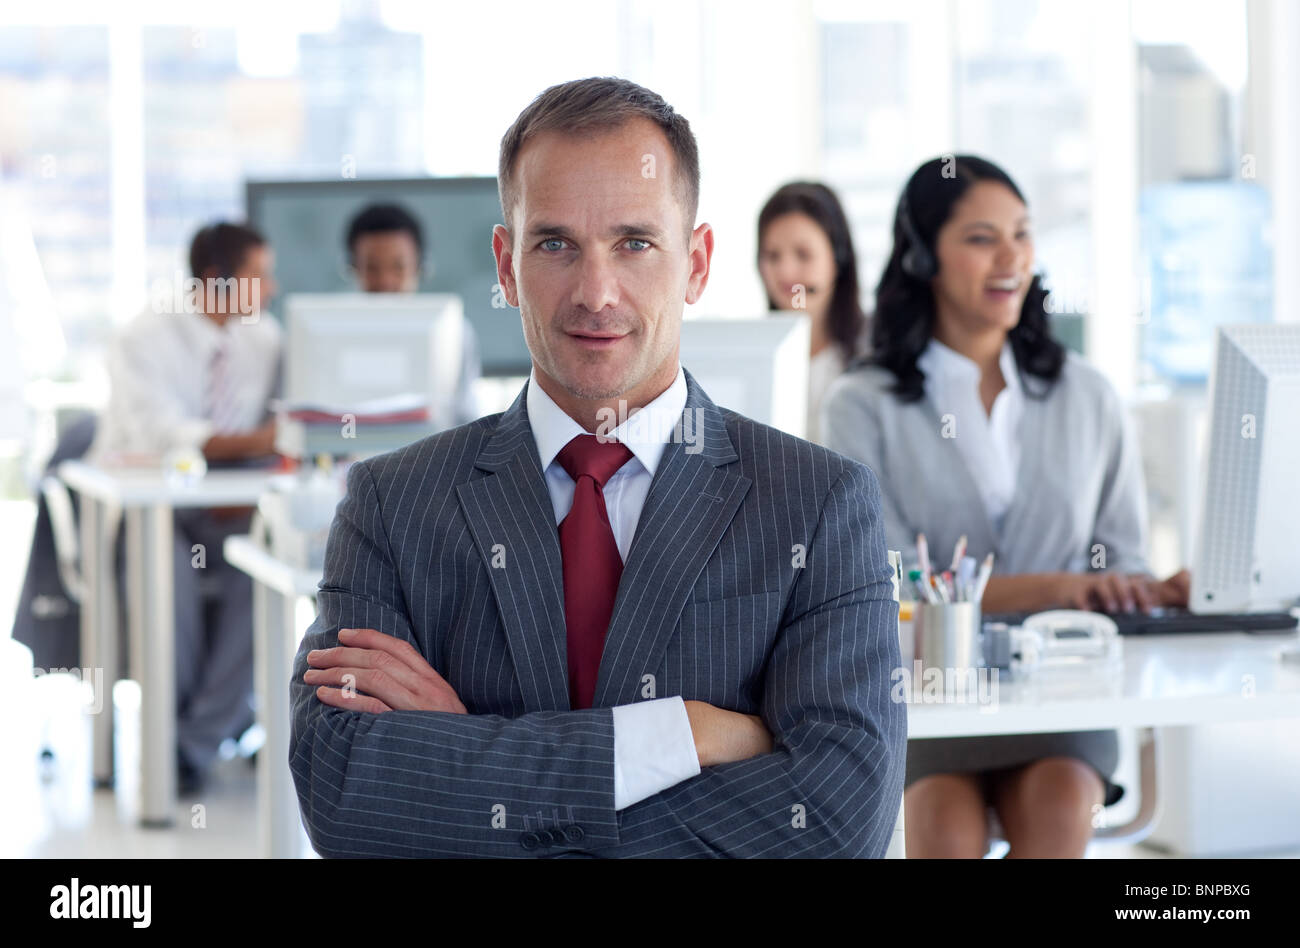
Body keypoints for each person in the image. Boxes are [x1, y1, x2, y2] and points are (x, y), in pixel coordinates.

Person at [288, 77, 906, 858]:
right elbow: (349, 795)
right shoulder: (390, 503)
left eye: (635, 243)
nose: (596, 293)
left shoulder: (819, 504)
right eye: (555, 245)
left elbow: (836, 822)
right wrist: (674, 736)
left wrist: (473, 753)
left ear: (698, 263)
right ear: (506, 267)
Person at [823, 155, 1190, 858]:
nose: (1011, 258)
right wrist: (1064, 588)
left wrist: (1143, 588)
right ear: (923, 256)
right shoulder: (860, 406)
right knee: (949, 836)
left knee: (1055, 816)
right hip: (934, 700)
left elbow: (1123, 556)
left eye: (1021, 235)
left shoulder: (1089, 396)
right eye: (982, 237)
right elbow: (887, 587)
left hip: (1066, 695)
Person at [92, 221, 282, 793]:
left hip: (230, 511)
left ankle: (189, 744)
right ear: (217, 279)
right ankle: (188, 737)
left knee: (264, 576)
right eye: (259, 276)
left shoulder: (265, 338)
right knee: (167, 578)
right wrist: (261, 443)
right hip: (155, 513)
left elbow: (277, 422)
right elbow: (165, 436)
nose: (271, 290)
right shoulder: (142, 339)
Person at [344, 201, 482, 424]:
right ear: (353, 269)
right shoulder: (334, 330)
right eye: (372, 267)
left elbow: (467, 415)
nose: (385, 281)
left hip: (436, 455)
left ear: (419, 267)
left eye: (398, 267)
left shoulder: (455, 332)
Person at [756, 181, 869, 443]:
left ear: (837, 257)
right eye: (772, 256)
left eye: (803, 254)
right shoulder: (753, 353)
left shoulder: (874, 350)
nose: (785, 272)